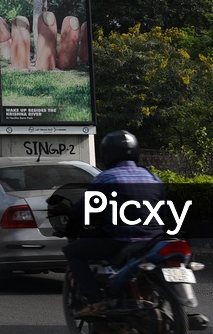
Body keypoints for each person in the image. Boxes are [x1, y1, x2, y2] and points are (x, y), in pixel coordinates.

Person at [61, 130, 165, 316]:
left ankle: (96, 302)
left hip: (122, 241)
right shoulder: (153, 177)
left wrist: (70, 212)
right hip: (153, 241)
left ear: (107, 154)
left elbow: (84, 209)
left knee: (72, 251)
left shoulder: (106, 178)